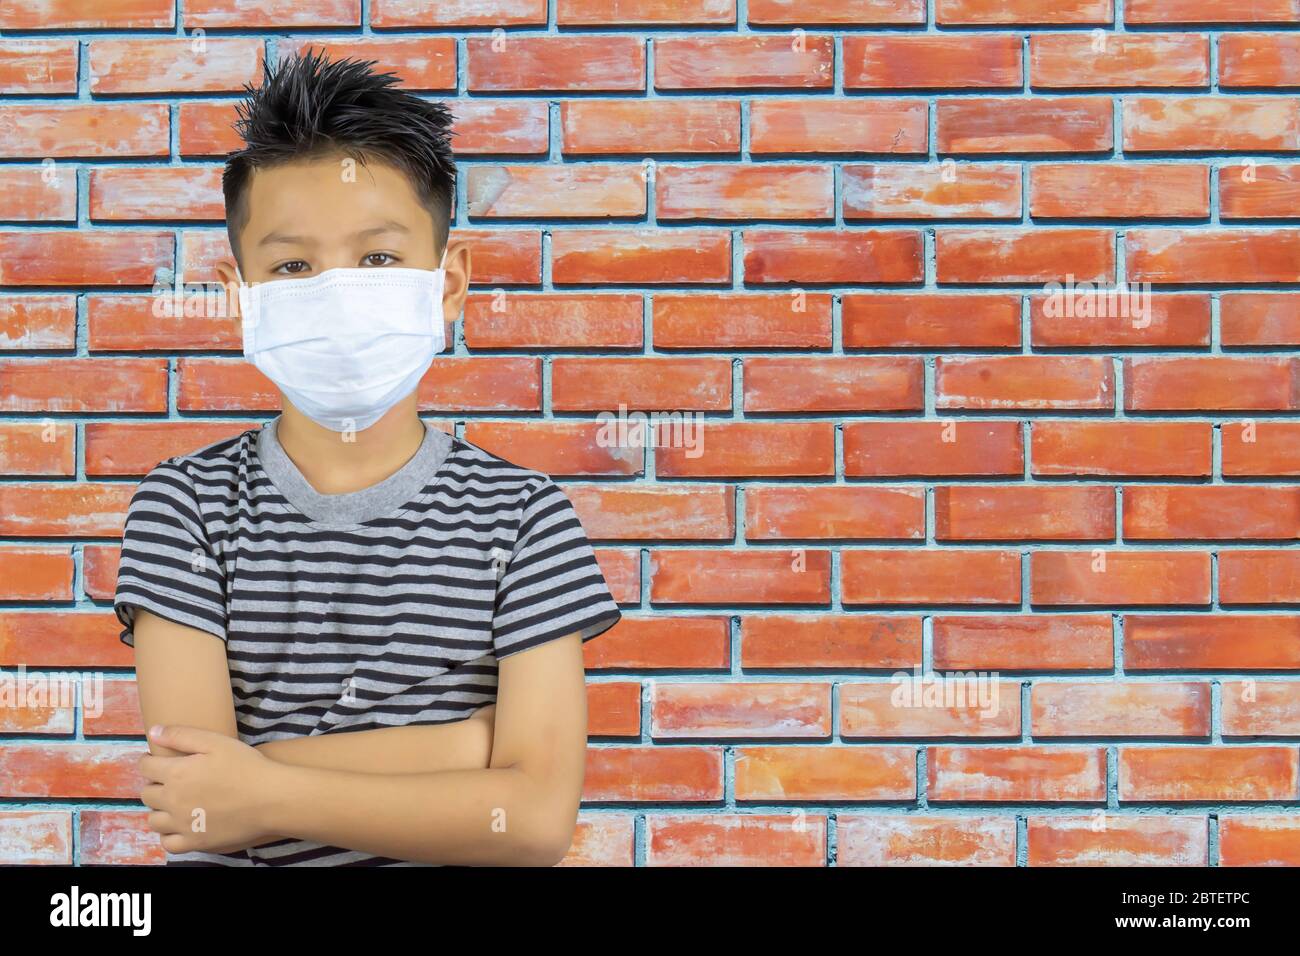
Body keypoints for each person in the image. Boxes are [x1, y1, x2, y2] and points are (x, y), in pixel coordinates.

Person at [113, 50, 622, 866]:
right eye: (293, 266)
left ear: (449, 282)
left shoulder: (525, 518)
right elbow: (199, 815)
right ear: (240, 296)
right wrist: (461, 750)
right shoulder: (186, 507)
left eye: (379, 259)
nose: (337, 292)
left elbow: (531, 824)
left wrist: (258, 789)